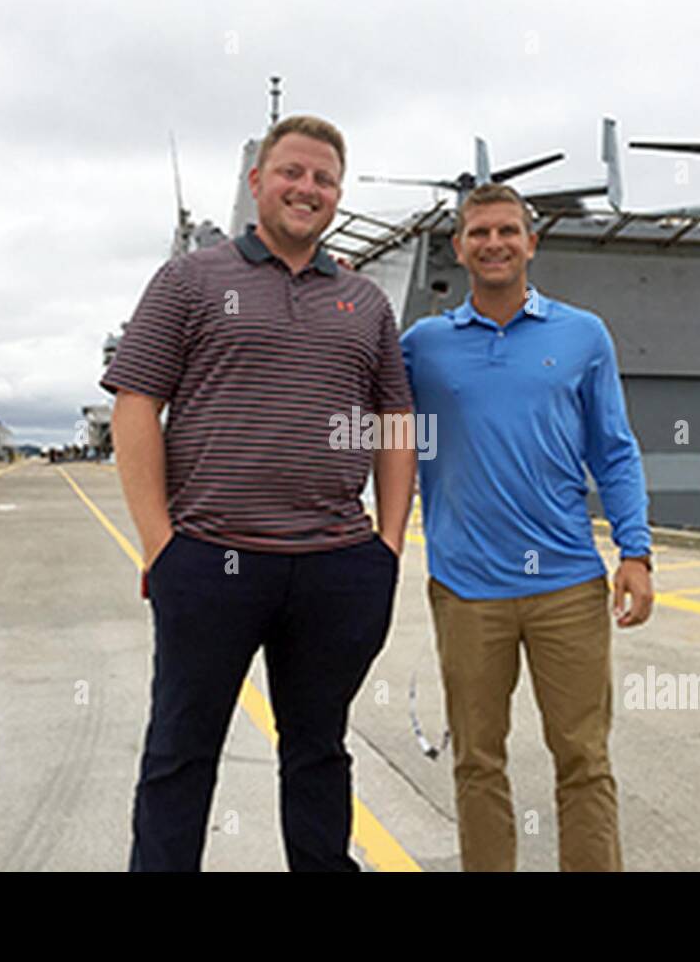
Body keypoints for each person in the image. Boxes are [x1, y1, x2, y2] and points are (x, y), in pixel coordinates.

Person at [101, 115, 416, 872]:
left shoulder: (366, 303)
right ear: (257, 183)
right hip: (212, 560)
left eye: (324, 178)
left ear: (337, 194)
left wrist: (390, 546)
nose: (307, 189)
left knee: (318, 751)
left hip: (338, 565)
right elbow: (136, 402)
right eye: (292, 172)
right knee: (181, 750)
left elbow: (396, 419)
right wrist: (160, 544)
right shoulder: (191, 279)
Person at [400, 183, 655, 872]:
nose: (493, 243)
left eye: (507, 231)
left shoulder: (582, 335)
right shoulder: (423, 346)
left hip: (568, 585)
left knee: (583, 758)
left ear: (531, 243)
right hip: (464, 587)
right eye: (478, 232)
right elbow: (377, 426)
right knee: (477, 761)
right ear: (458, 247)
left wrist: (636, 549)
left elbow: (614, 448)